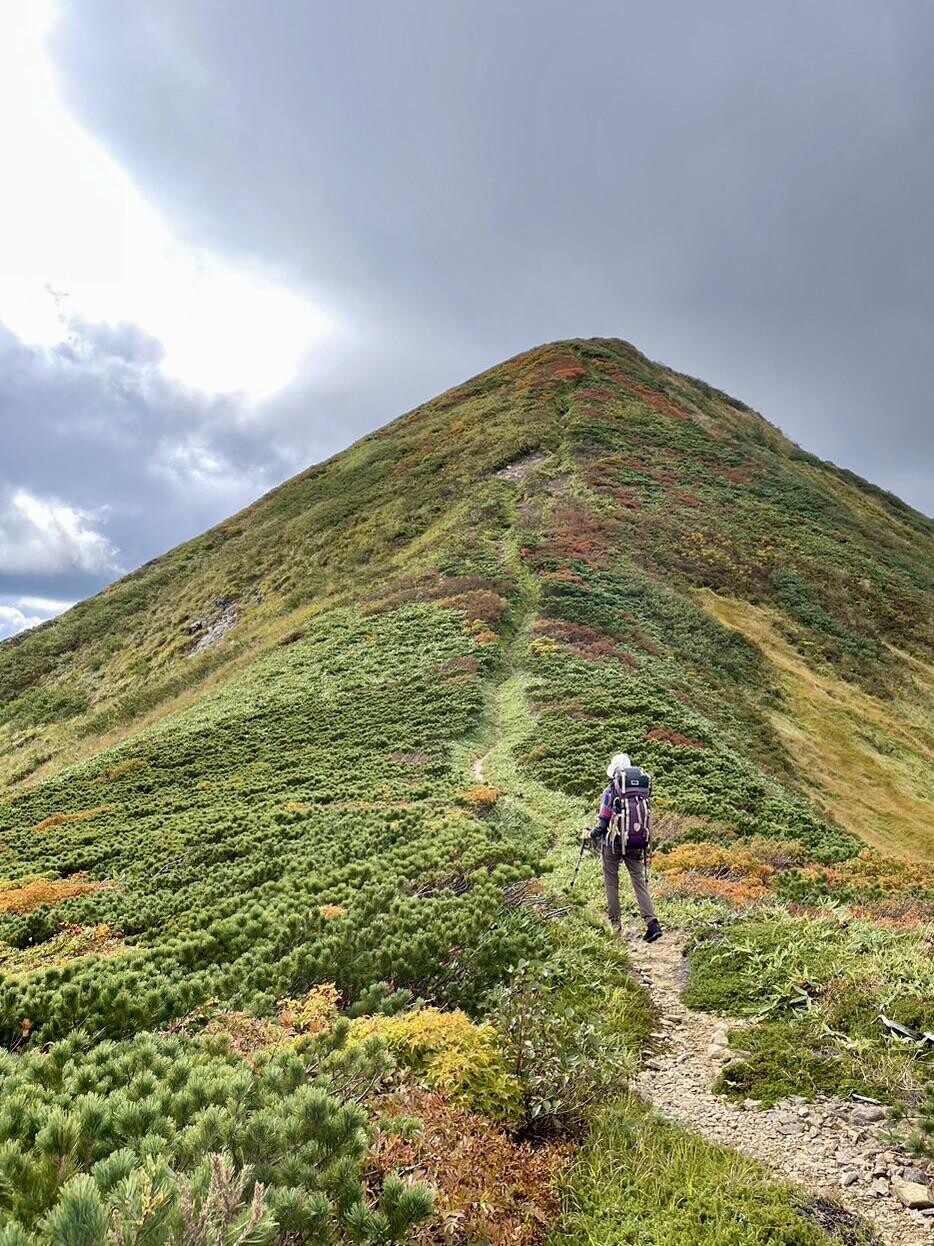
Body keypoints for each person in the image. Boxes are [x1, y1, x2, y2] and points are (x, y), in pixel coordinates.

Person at [582, 752, 662, 942]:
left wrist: (590, 834)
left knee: (611, 882)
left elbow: (603, 822)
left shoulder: (610, 791)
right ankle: (652, 924)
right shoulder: (640, 792)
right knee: (638, 881)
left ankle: (615, 925)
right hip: (635, 842)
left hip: (612, 844)